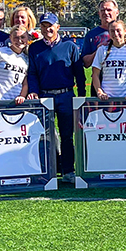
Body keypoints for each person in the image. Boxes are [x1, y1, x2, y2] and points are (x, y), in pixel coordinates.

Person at [26, 12, 86, 184]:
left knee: (67, 135)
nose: (47, 29)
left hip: (66, 95)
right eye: (44, 26)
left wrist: (80, 98)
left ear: (57, 27)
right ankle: (48, 169)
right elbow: (32, 74)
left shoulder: (70, 46)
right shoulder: (35, 48)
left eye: (50, 26)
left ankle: (68, 170)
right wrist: (34, 91)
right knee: (45, 135)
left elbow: (80, 75)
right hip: (45, 96)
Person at [81, 0, 126, 96]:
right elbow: (86, 63)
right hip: (99, 87)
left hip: (125, 87)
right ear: (99, 14)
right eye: (102, 10)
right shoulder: (92, 34)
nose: (106, 13)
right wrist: (97, 51)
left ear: (117, 12)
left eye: (109, 10)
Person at [91, 20, 126, 99]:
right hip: (107, 99)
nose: (115, 34)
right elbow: (95, 74)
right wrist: (99, 91)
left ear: (125, 31)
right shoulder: (102, 50)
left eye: (118, 30)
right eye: (112, 31)